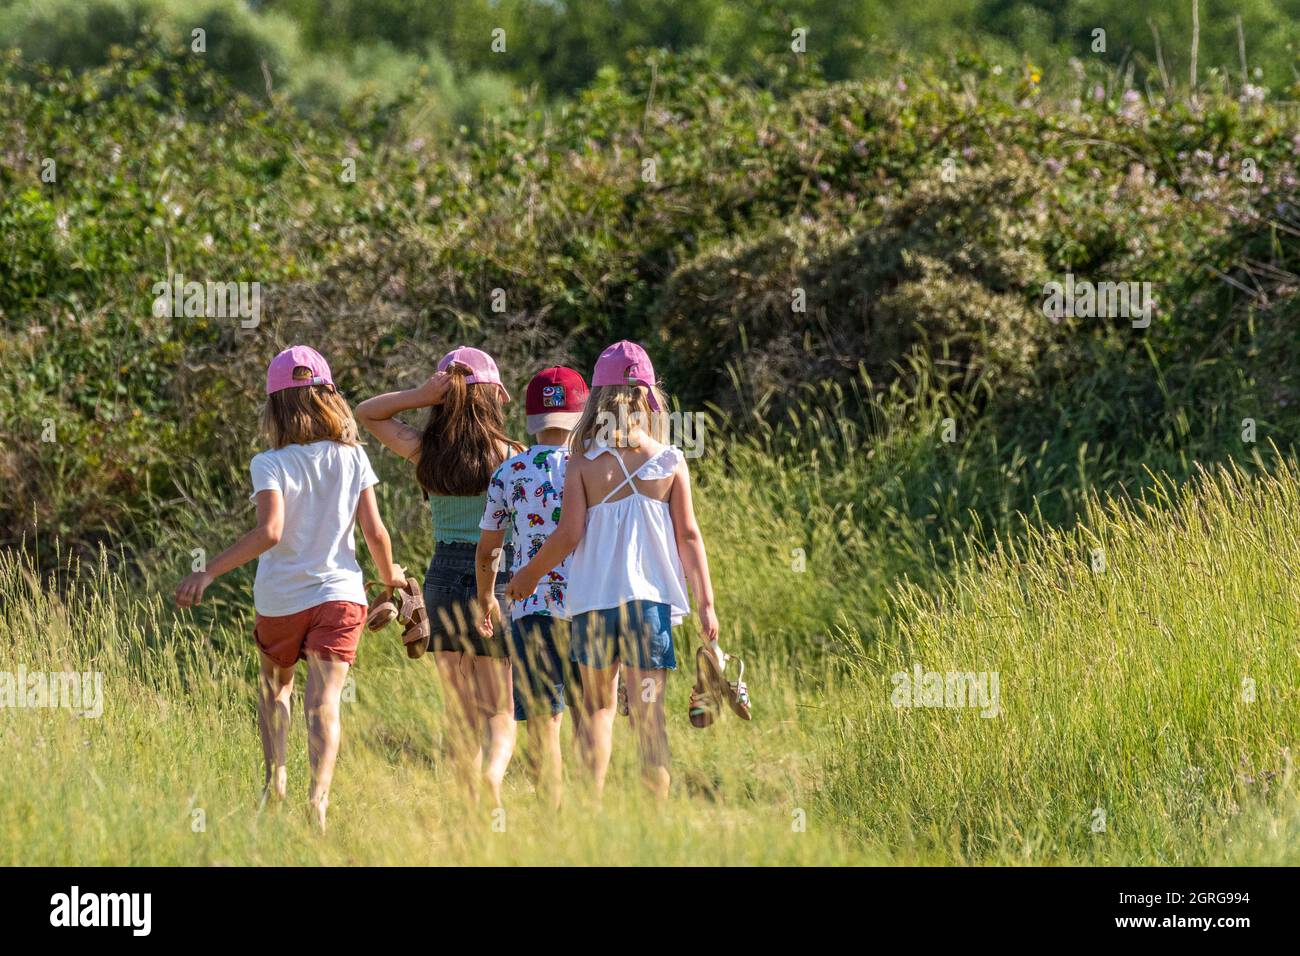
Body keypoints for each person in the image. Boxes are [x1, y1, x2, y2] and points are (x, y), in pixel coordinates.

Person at [175, 345, 404, 831]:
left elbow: (270, 532)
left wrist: (208, 571)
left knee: (276, 687)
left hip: (281, 599)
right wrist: (391, 581)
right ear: (328, 398)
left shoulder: (270, 462)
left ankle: (274, 781)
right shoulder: (353, 457)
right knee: (324, 702)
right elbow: (376, 532)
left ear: (275, 406)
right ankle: (317, 800)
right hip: (341, 596)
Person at [506, 341, 719, 800]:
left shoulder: (582, 464)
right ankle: (654, 828)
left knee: (598, 711)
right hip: (650, 606)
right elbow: (689, 537)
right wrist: (706, 605)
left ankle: (590, 821)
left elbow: (567, 536)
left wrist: (527, 576)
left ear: (598, 402)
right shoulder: (669, 460)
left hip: (595, 604)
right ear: (648, 398)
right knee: (650, 720)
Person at [355, 346, 522, 806]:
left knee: (460, 707)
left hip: (443, 576)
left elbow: (367, 413)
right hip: (496, 577)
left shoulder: (427, 452)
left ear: (440, 400)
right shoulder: (512, 456)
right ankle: (492, 778)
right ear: (493, 398)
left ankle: (467, 803)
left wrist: (419, 393)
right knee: (501, 709)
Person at [477, 366, 589, 808]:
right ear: (581, 416)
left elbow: (489, 549)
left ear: (531, 419)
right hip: (589, 604)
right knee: (592, 716)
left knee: (545, 722)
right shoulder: (591, 468)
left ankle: (552, 820)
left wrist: (487, 596)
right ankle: (592, 813)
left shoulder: (509, 472)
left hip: (532, 609)